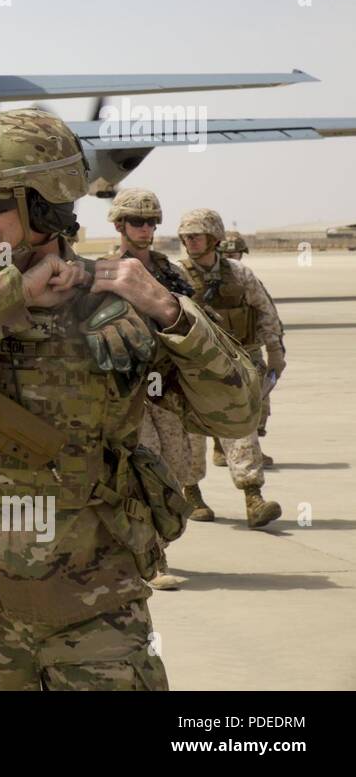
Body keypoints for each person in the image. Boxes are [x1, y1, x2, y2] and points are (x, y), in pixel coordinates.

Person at [0, 110, 260, 690]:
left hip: (96, 590)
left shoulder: (121, 297)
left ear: (45, 204)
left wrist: (172, 314)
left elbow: (237, 412)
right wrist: (10, 296)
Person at [100, 188, 206, 591]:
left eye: (150, 223)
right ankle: (152, 559)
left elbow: (195, 322)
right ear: (119, 226)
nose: (145, 229)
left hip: (168, 387)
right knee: (146, 468)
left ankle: (143, 549)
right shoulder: (105, 272)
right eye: (137, 223)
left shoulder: (170, 271)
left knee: (177, 469)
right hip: (129, 389)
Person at [178, 210, 285, 527]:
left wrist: (275, 349)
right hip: (194, 367)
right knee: (191, 436)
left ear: (214, 238)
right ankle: (192, 493)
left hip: (236, 364)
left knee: (243, 429)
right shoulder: (175, 275)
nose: (189, 241)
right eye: (185, 236)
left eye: (196, 235)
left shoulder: (240, 274)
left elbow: (264, 311)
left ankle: (253, 498)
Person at [212, 230, 274, 467]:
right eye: (227, 253)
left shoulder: (247, 278)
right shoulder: (205, 281)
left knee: (259, 399)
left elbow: (265, 310)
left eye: (236, 253)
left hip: (250, 348)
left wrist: (273, 344)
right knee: (223, 402)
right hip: (221, 351)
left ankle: (254, 447)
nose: (233, 257)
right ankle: (220, 447)